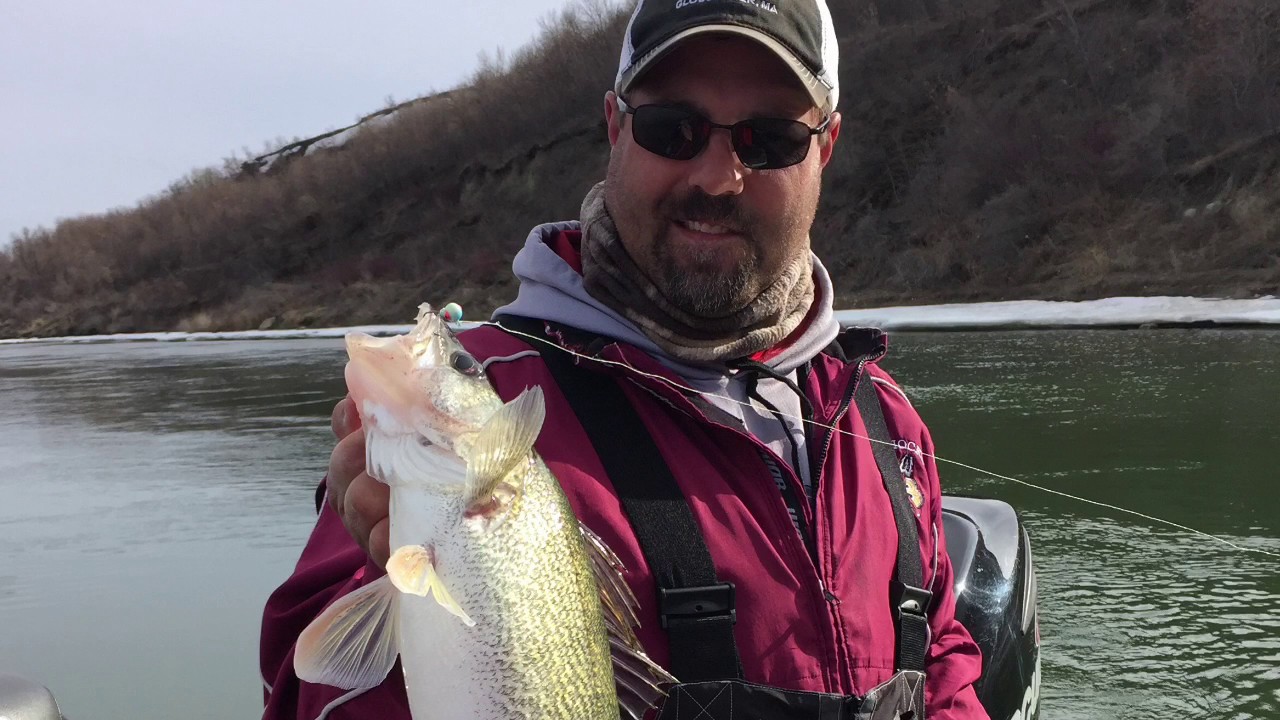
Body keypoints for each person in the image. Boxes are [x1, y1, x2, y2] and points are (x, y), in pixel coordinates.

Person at [260, 0, 988, 717]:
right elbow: (307, 695)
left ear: (824, 150)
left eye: (769, 140)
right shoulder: (493, 396)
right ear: (615, 127)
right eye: (673, 130)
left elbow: (941, 661)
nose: (716, 178)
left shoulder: (881, 412)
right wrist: (407, 580)